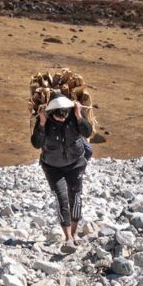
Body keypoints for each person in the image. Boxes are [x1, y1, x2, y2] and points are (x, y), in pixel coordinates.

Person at [31, 94, 93, 246]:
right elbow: (36, 144)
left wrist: (79, 116)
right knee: (61, 198)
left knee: (76, 196)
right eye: (58, 118)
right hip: (52, 166)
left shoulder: (74, 114)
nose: (62, 119)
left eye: (65, 116)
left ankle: (74, 232)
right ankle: (68, 238)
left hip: (76, 162)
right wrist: (41, 125)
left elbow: (87, 132)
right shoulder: (43, 119)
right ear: (52, 114)